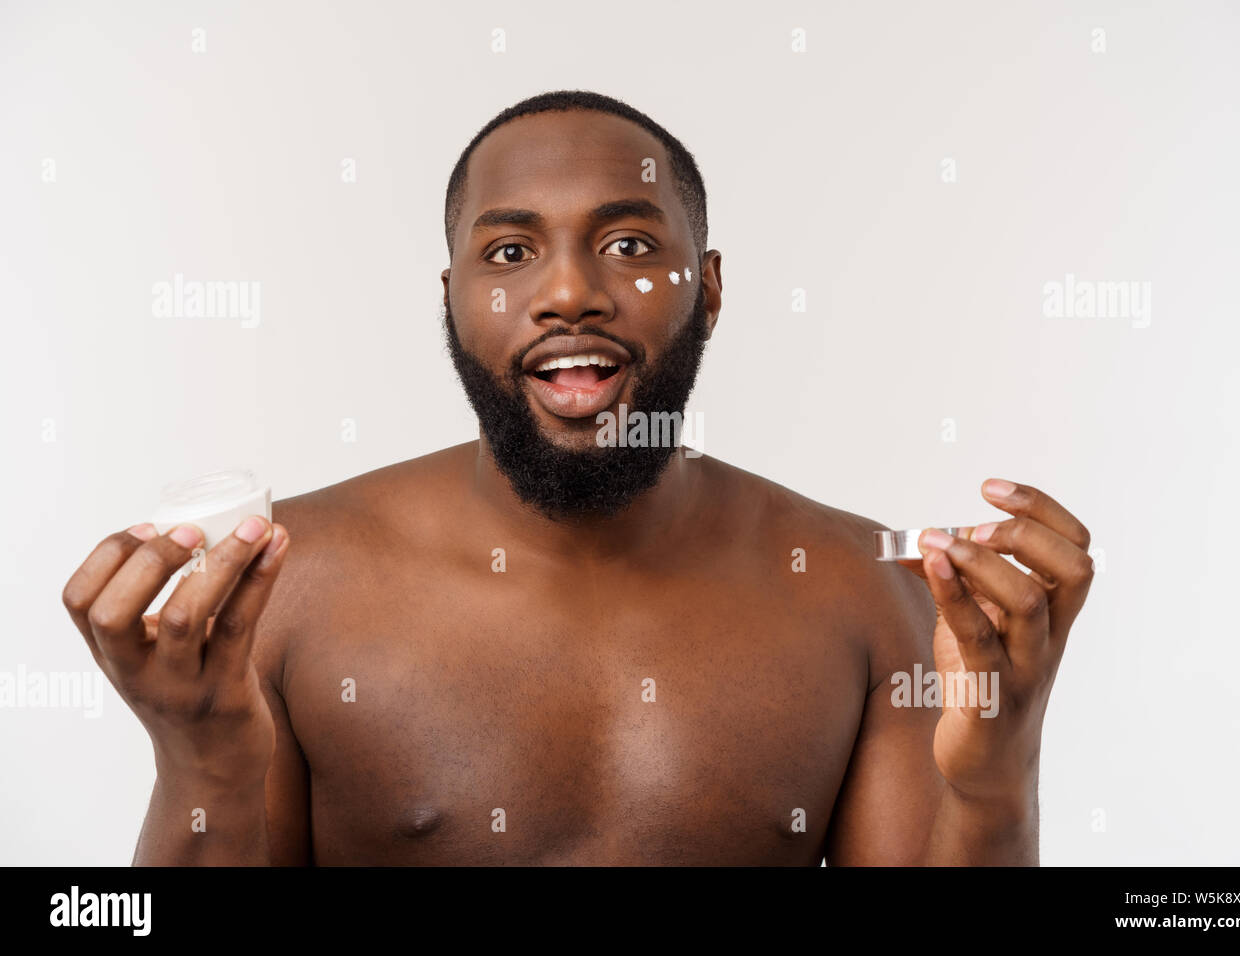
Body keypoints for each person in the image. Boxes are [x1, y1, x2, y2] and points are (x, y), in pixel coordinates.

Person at [61, 90, 1094, 865]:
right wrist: (204, 763)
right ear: (451, 296)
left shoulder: (872, 592)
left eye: (629, 242)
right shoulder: (287, 584)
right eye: (508, 250)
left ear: (712, 287)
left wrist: (998, 774)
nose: (566, 292)